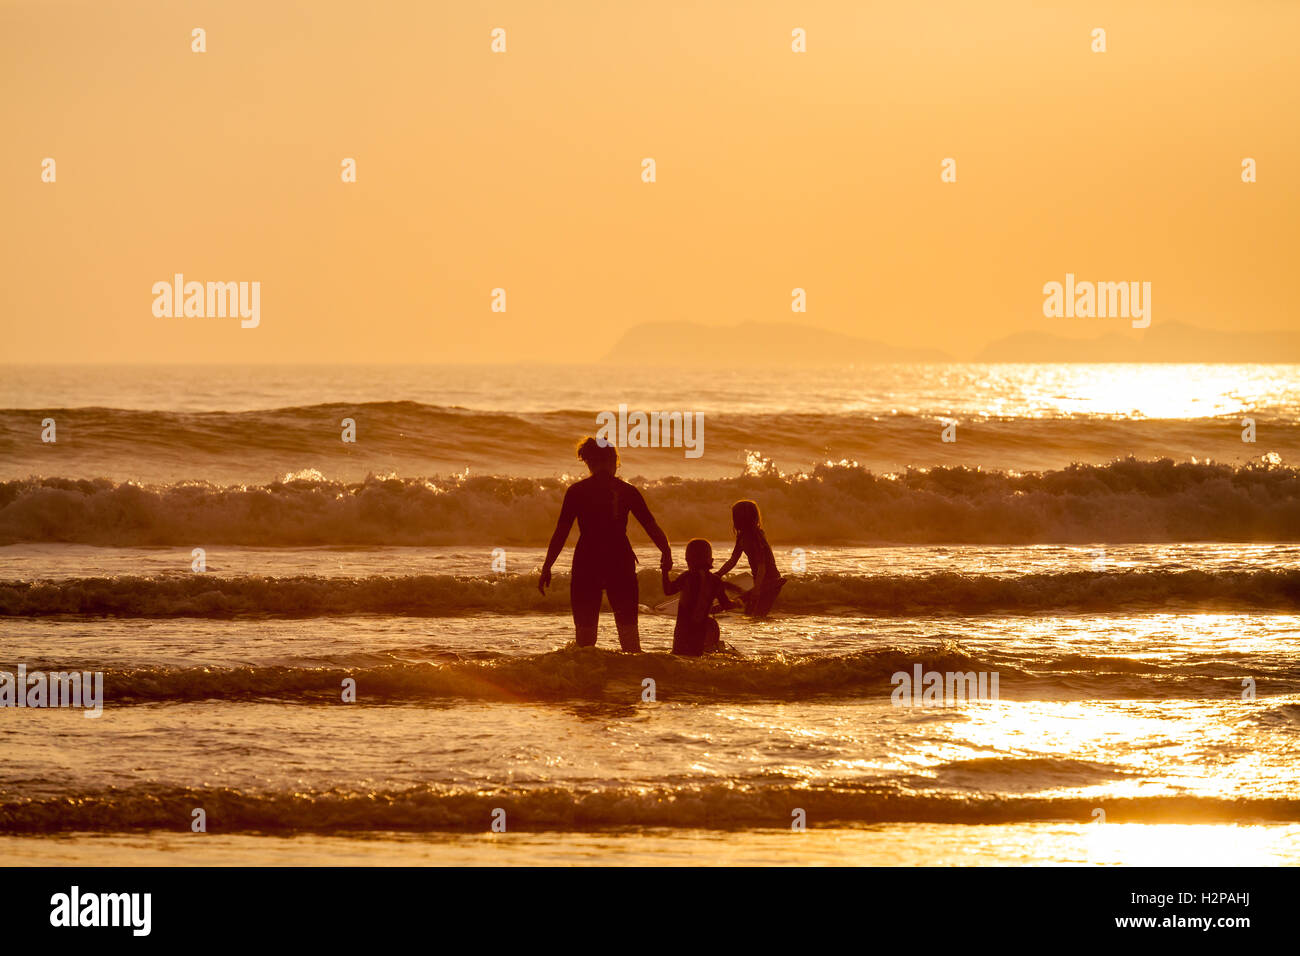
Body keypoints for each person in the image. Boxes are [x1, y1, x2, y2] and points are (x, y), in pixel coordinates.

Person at [538, 437, 671, 651]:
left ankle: (589, 678)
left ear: (589, 462)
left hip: (586, 560)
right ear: (613, 460)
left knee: (585, 636)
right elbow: (651, 526)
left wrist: (547, 566)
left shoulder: (577, 491)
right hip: (619, 558)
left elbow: (561, 533)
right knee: (629, 634)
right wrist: (666, 551)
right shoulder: (627, 490)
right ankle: (631, 678)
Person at [662, 538, 732, 656]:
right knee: (695, 658)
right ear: (711, 560)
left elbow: (668, 590)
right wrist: (740, 601)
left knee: (680, 657)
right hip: (699, 633)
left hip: (682, 631)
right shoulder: (715, 581)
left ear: (688, 560)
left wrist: (664, 571)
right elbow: (726, 605)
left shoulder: (687, 577)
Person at [716, 498, 785, 617]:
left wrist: (757, 589)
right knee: (749, 614)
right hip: (759, 580)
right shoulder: (742, 537)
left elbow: (762, 565)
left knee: (758, 614)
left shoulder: (756, 537)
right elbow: (733, 560)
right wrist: (718, 574)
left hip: (771, 582)